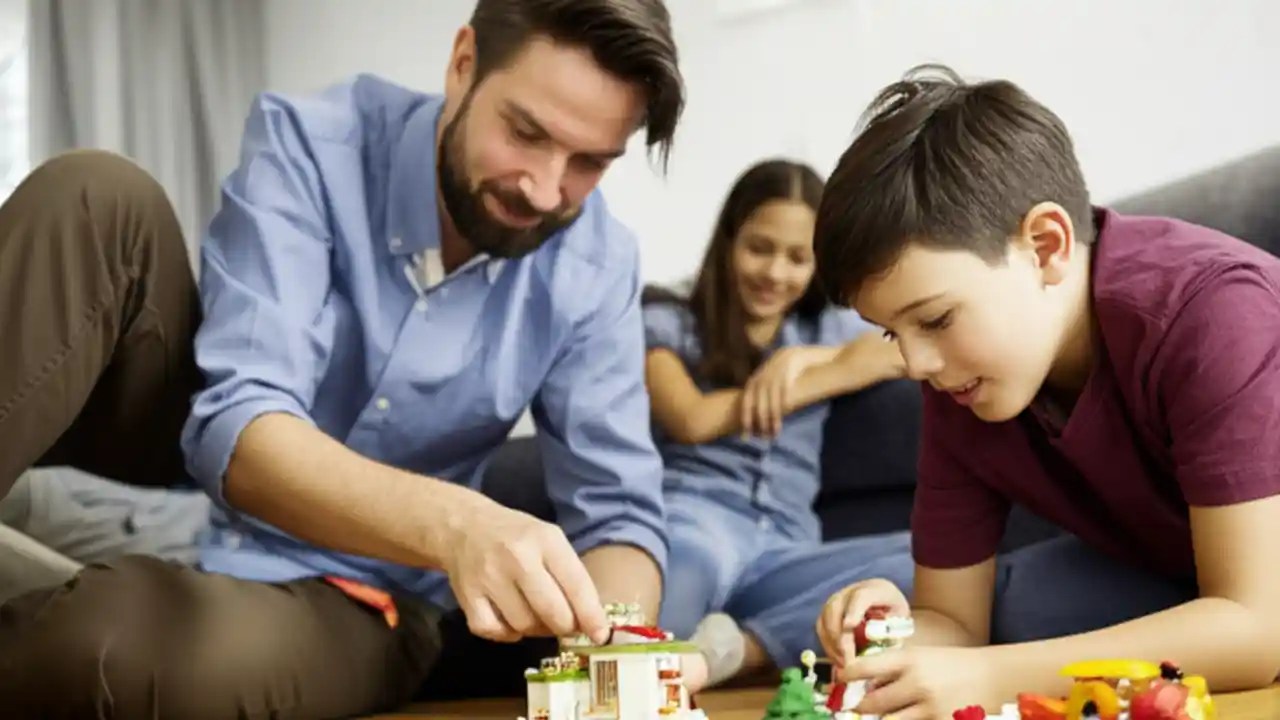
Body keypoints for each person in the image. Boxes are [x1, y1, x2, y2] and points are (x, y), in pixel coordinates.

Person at [0, 0, 685, 716]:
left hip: (362, 595)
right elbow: (240, 416)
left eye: (589, 163)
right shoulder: (314, 143)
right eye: (525, 132)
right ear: (462, 65)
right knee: (93, 197)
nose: (545, 189)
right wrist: (458, 526)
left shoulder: (597, 265)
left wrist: (622, 659)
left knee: (109, 651)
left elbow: (619, 518)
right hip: (188, 460)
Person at [811, 64, 1280, 718]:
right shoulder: (958, 384)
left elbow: (1257, 629)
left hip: (1259, 591)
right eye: (892, 335)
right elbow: (955, 621)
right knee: (1025, 606)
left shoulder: (1210, 313)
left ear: (1045, 245)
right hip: (1178, 570)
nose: (915, 363)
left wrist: (988, 677)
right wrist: (897, 631)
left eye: (936, 319)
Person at [641, 159, 914, 691]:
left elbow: (906, 345)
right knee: (665, 595)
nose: (774, 273)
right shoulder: (666, 316)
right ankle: (657, 680)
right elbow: (691, 418)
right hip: (696, 522)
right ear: (728, 240)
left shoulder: (824, 329)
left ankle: (736, 651)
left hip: (787, 547)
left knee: (930, 562)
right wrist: (813, 380)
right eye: (759, 248)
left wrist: (802, 360)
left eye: (798, 258)